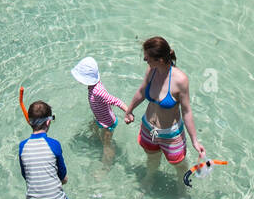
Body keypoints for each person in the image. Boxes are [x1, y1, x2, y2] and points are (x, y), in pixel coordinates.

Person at [123, 37, 204, 185]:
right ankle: (150, 178)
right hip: (148, 128)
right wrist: (129, 110)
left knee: (179, 165)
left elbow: (186, 111)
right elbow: (142, 92)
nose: (144, 59)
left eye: (148, 58)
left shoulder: (180, 80)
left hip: (170, 134)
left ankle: (182, 189)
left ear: (160, 60)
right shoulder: (151, 70)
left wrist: (194, 140)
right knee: (152, 158)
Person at [18, 100, 75, 199]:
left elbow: (26, 175)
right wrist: (63, 180)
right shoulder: (54, 145)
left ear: (30, 122)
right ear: (48, 122)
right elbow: (63, 177)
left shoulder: (22, 146)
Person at [70, 56, 127, 166]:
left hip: (107, 124)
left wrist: (128, 111)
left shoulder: (97, 91)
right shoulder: (94, 85)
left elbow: (115, 101)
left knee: (107, 145)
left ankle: (106, 167)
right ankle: (94, 140)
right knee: (92, 128)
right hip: (99, 119)